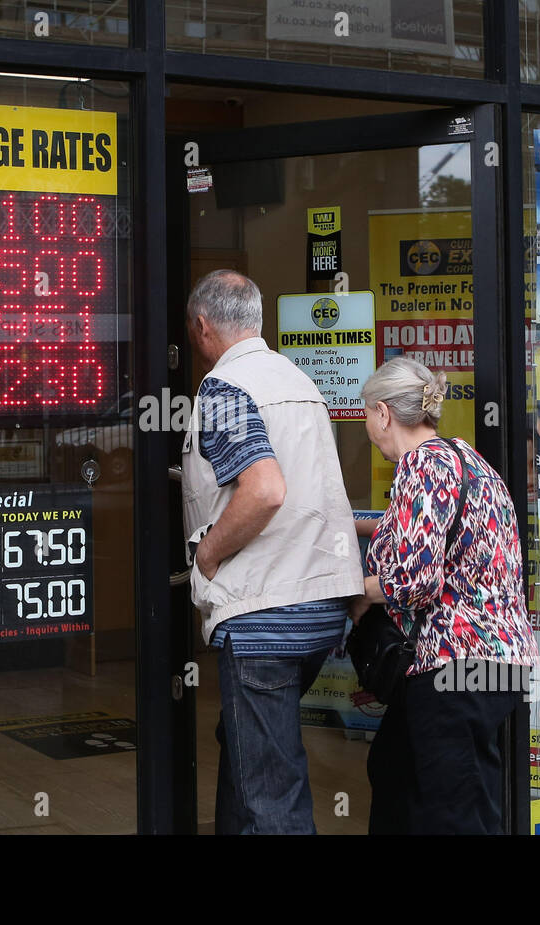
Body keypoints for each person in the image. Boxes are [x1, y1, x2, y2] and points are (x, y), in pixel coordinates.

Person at [181, 269, 363, 835]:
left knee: (270, 792)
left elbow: (265, 489)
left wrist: (208, 557)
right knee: (245, 757)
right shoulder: (298, 379)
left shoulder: (224, 389)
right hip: (318, 609)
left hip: (264, 615)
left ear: (202, 326)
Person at [350, 357, 537, 834]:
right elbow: (437, 536)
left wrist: (360, 592)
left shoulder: (422, 466)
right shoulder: (464, 457)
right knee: (395, 771)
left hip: (456, 666)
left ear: (384, 413)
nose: (367, 428)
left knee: (454, 813)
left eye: (367, 414)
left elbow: (413, 580)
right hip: (496, 661)